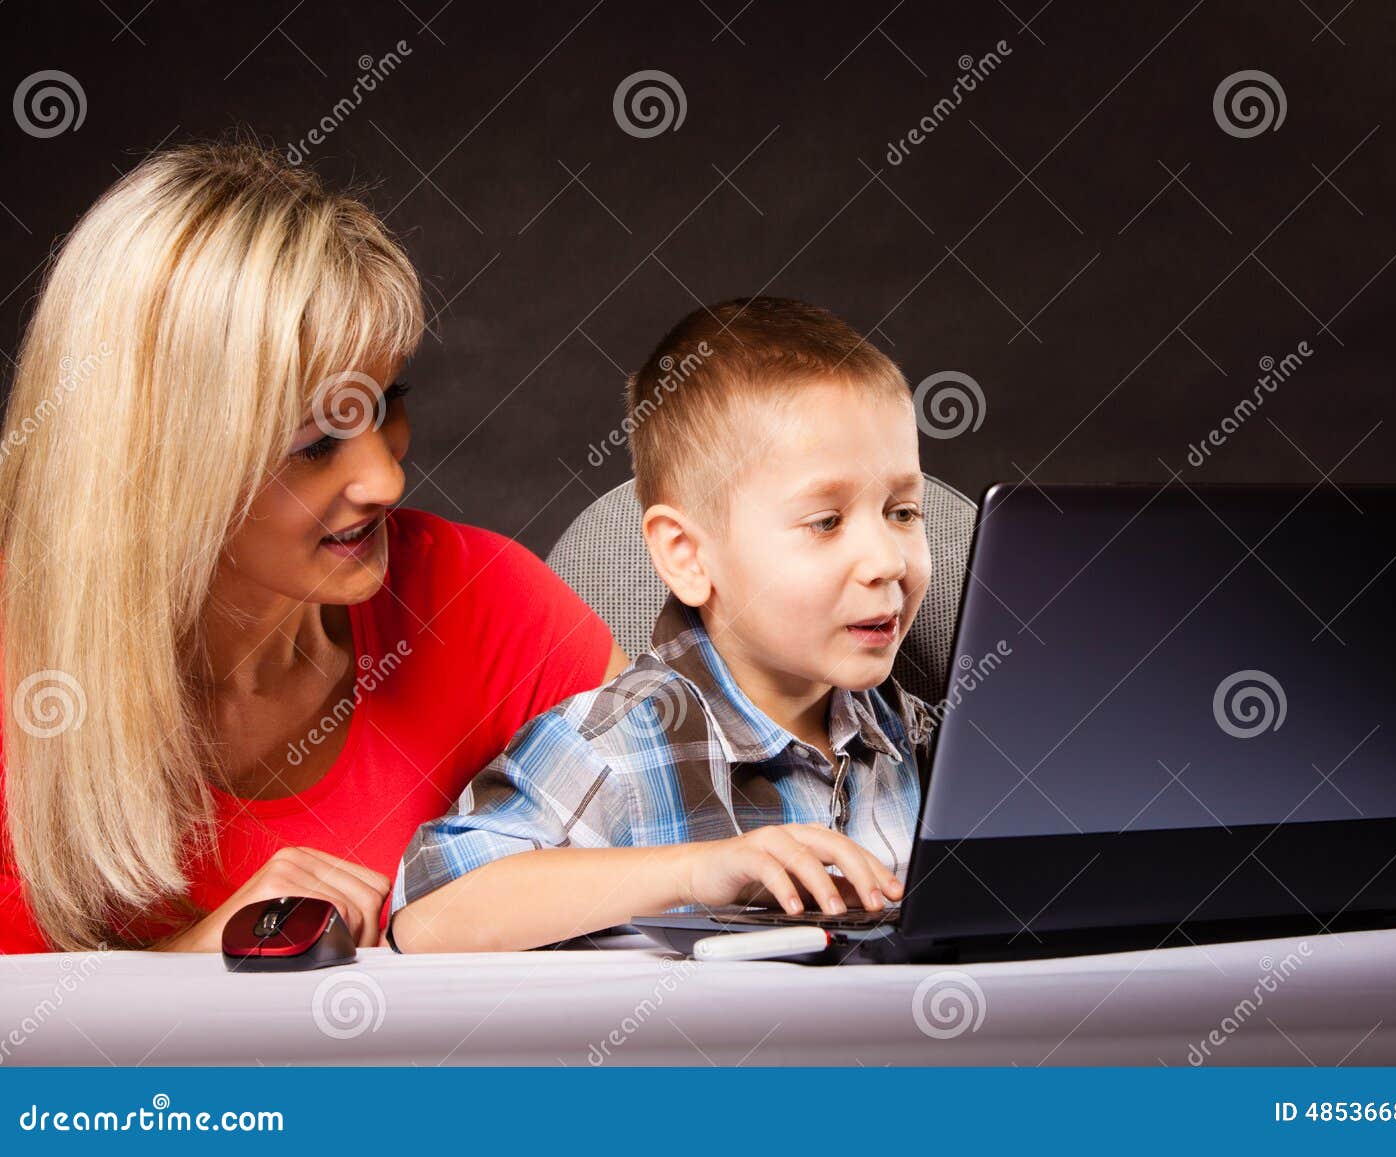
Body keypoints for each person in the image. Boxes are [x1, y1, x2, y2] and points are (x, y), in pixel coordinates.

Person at [0, 140, 628, 954]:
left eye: (386, 402)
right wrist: (193, 960)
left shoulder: (477, 595)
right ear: (152, 467)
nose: (384, 479)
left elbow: (692, 808)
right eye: (317, 442)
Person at [389, 297, 934, 953]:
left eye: (903, 511)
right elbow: (426, 911)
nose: (887, 561)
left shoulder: (918, 734)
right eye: (826, 522)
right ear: (688, 555)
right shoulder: (615, 743)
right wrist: (694, 870)